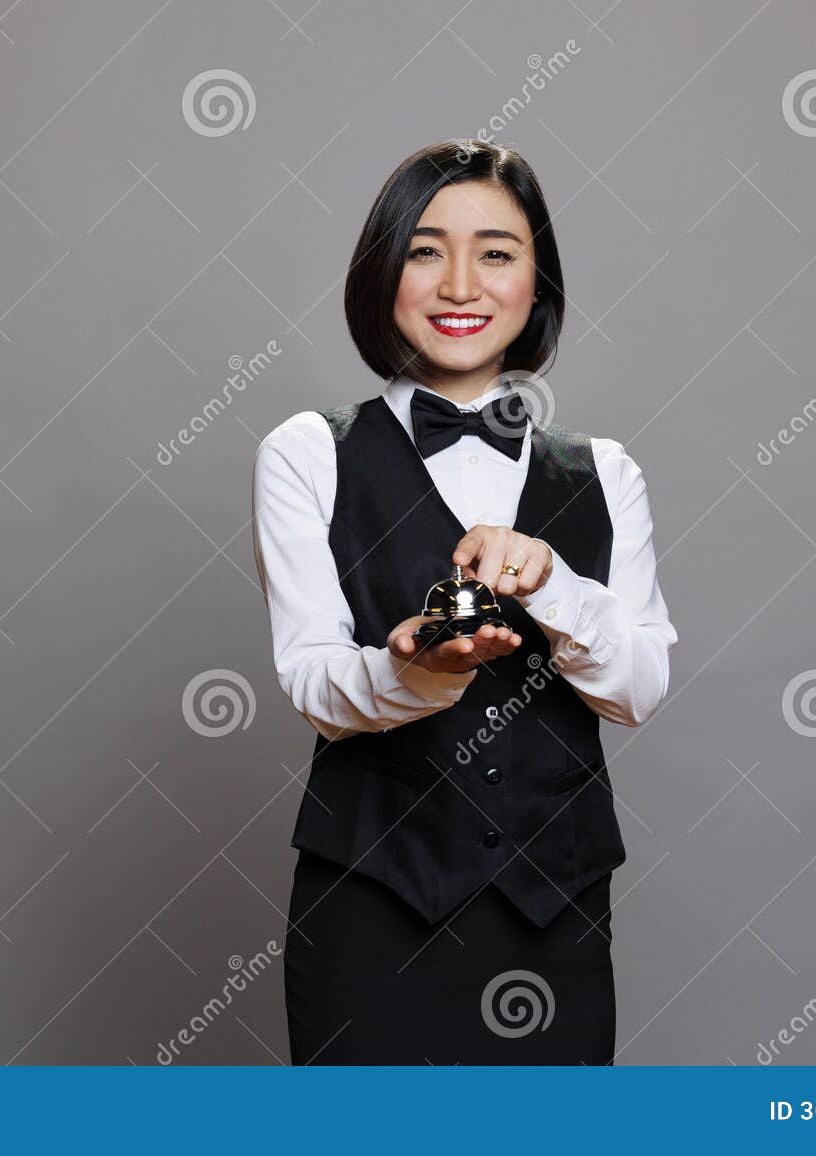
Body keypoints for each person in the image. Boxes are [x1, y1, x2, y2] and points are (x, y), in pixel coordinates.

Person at [251, 139, 678, 1064]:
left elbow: (638, 689)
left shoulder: (605, 471)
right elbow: (313, 678)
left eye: (496, 252)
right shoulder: (307, 451)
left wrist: (555, 585)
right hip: (370, 904)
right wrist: (417, 672)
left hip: (551, 910)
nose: (459, 284)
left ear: (537, 282)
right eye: (423, 249)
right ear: (384, 273)